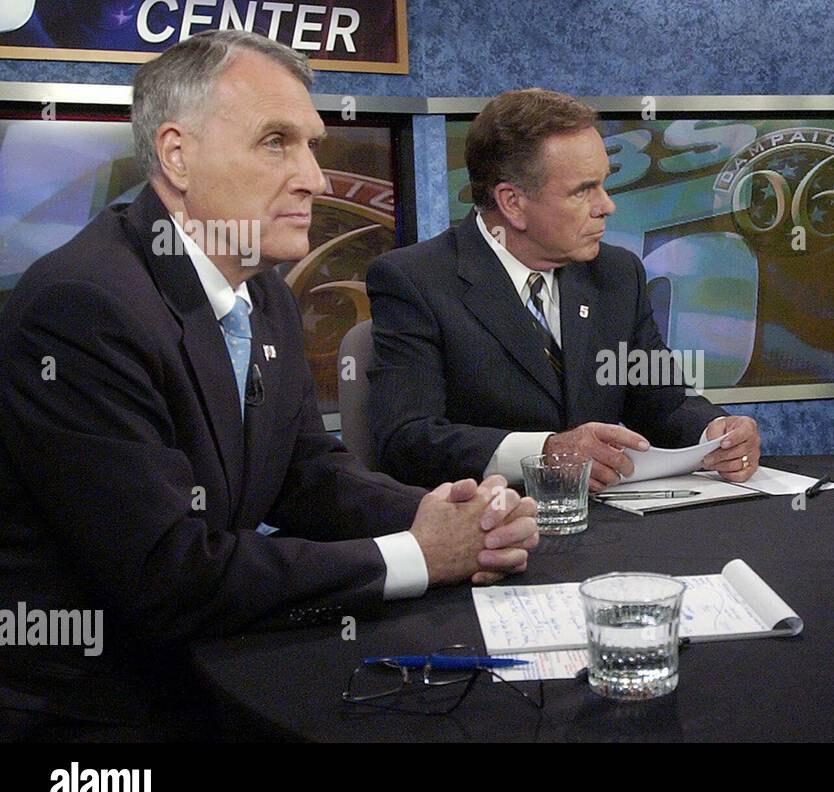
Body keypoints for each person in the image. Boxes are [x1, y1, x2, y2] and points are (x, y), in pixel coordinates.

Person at [0, 30, 536, 740]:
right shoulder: (82, 307)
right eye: (276, 141)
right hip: (96, 710)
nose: (313, 177)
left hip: (216, 660)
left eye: (312, 145)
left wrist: (452, 513)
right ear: (176, 154)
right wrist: (419, 553)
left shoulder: (264, 290)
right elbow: (167, 573)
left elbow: (304, 473)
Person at [366, 88, 760, 492]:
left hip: (608, 525)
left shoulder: (615, 274)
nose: (607, 205)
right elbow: (407, 440)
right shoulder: (415, 281)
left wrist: (713, 432)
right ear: (513, 202)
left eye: (603, 185)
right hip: (491, 524)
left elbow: (659, 398)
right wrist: (546, 453)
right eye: (583, 190)